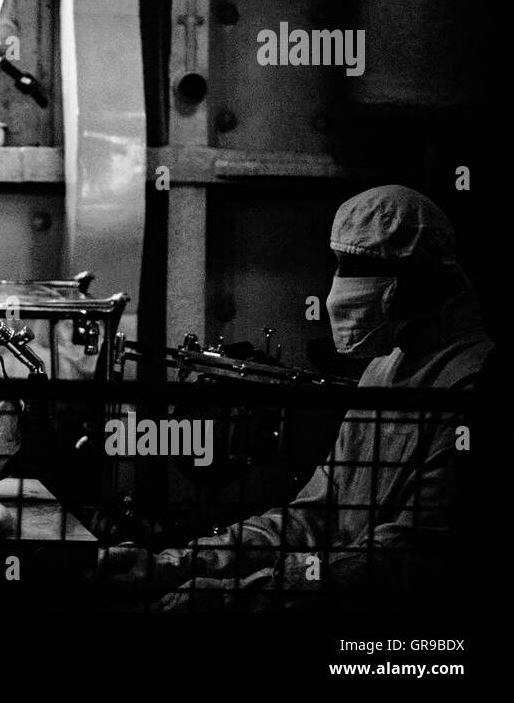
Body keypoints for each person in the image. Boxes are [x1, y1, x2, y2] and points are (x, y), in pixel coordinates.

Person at [100, 185, 492, 610]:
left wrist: (232, 598)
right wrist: (175, 564)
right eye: (340, 266)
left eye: (361, 268)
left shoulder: (475, 383)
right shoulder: (383, 368)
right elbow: (312, 516)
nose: (343, 287)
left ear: (425, 274)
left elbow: (405, 559)